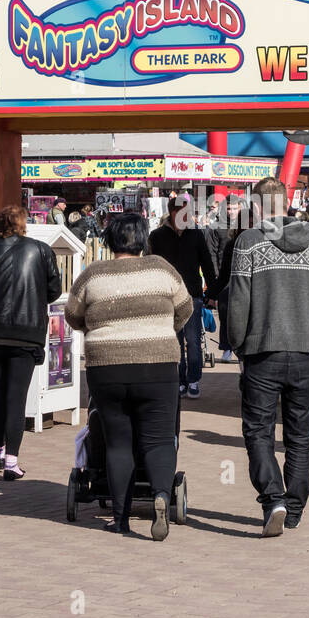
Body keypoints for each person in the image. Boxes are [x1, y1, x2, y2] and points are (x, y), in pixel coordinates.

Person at [225, 176, 309, 536]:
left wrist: (238, 344)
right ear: (287, 202)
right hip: (304, 354)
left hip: (261, 353)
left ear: (257, 206)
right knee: (300, 435)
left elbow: (238, 302)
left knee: (258, 431)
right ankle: (294, 507)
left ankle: (272, 496)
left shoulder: (248, 242)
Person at [65, 213, 191, 540]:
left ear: (109, 240)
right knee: (160, 439)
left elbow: (73, 315)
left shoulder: (93, 274)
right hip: (158, 364)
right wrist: (163, 328)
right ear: (142, 240)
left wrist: (99, 329)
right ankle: (162, 495)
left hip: (107, 367)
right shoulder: (162, 269)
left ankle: (119, 519)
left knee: (117, 443)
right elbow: (185, 308)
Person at [0, 205, 61, 481]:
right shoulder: (41, 249)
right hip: (26, 332)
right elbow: (53, 290)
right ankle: (12, 460)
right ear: (23, 224)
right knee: (16, 397)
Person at [148, 194, 215, 399]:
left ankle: (193, 379)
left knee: (193, 340)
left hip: (192, 294)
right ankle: (180, 380)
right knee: (174, 341)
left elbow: (207, 264)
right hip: (166, 296)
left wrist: (211, 292)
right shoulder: (157, 236)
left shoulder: (196, 235)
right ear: (173, 212)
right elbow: (150, 265)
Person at [204, 194, 246, 363]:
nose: (231, 211)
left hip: (243, 276)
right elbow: (211, 253)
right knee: (225, 315)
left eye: (235, 208)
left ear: (240, 209)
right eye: (229, 208)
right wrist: (214, 277)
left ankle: (242, 349)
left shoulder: (246, 227)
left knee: (244, 314)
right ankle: (227, 348)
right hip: (223, 278)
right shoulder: (216, 228)